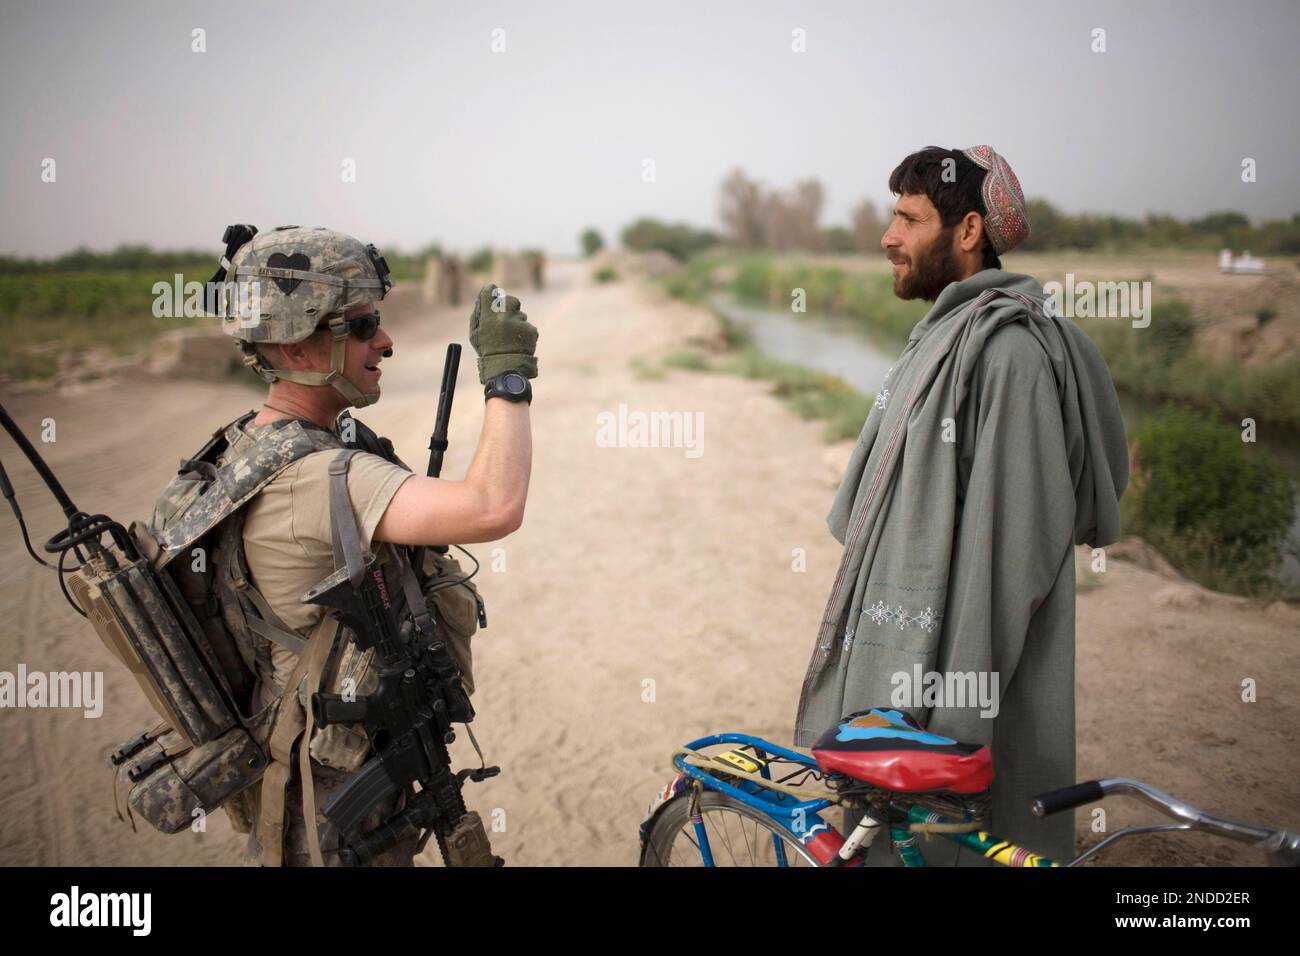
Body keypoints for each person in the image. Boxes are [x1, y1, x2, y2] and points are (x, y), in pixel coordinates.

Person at [793, 147, 1129, 865]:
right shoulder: (945, 331)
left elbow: (1013, 559)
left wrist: (951, 724)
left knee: (972, 841)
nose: (889, 237)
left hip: (964, 670)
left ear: (970, 229)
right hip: (920, 661)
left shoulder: (1011, 356)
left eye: (908, 219)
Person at [205, 225, 537, 866]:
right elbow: (492, 507)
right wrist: (509, 377)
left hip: (326, 779)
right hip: (329, 810)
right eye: (360, 327)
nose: (384, 341)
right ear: (298, 345)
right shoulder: (314, 476)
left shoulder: (254, 445)